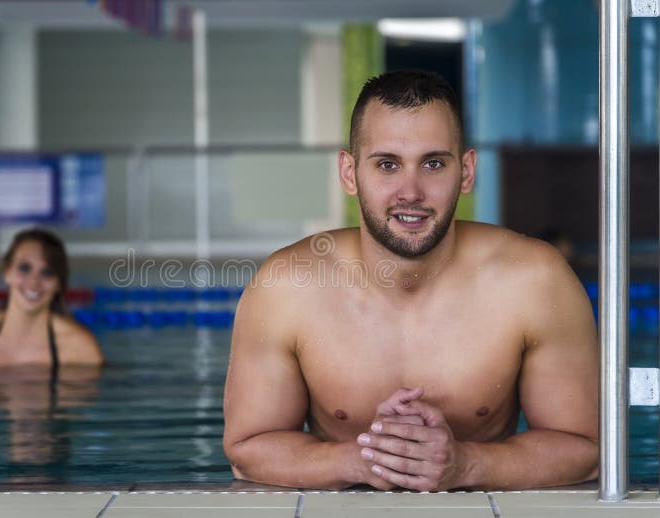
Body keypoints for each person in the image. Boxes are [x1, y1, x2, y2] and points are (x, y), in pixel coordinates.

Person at [222, 70, 598, 491]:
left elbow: (584, 451)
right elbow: (248, 451)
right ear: (349, 173)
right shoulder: (287, 286)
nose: (411, 191)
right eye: (387, 164)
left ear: (467, 171)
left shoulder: (534, 280)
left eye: (433, 163)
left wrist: (467, 464)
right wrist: (361, 460)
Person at [0, 228, 104, 371]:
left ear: (59, 284)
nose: (34, 281)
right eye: (24, 268)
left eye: (47, 272)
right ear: (6, 272)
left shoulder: (80, 348)